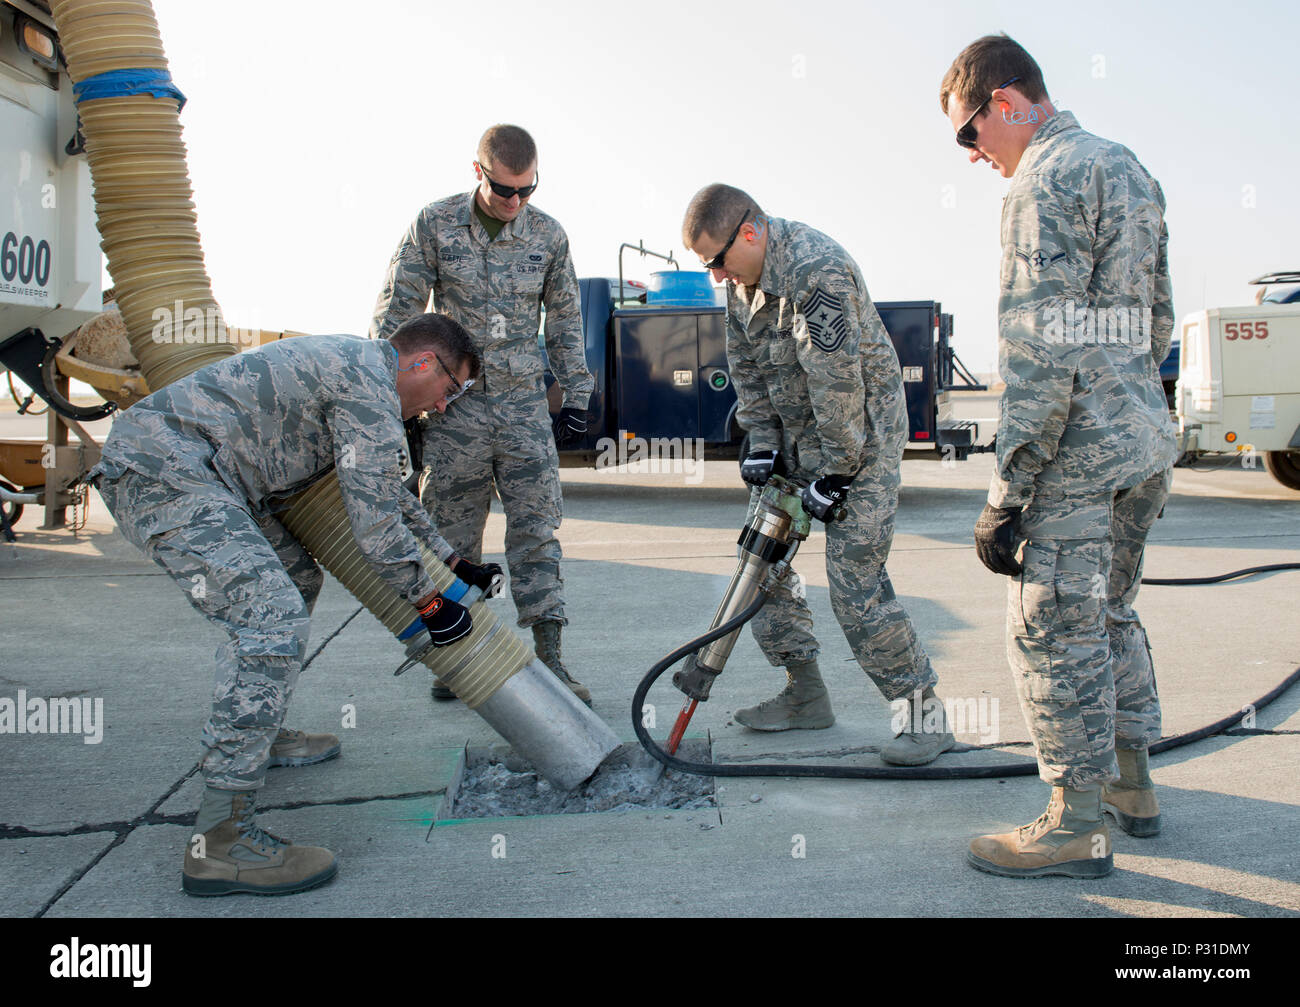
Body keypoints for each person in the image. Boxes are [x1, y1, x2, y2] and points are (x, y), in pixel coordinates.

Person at [90, 314, 495, 895]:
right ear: (423, 363)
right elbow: (375, 526)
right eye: (451, 389)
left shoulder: (363, 373)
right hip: (165, 474)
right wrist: (431, 605)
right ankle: (220, 843)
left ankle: (261, 728)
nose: (446, 406)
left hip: (201, 475)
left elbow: (389, 497)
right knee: (270, 619)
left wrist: (452, 564)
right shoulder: (368, 387)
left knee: (294, 578)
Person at [940, 34, 1178, 878]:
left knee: (1052, 628)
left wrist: (1007, 492)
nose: (973, 157)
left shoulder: (1042, 183)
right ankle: (1132, 786)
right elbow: (1157, 323)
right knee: (1110, 611)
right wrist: (1133, 403)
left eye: (969, 135)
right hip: (1141, 440)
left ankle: (1075, 823)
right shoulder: (1127, 166)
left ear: (1007, 104)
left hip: (1079, 453)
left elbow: (1040, 354)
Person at [681, 184, 956, 766]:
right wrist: (760, 441)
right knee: (760, 566)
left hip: (861, 442)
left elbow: (838, 389)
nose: (716, 276)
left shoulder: (815, 271)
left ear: (749, 232)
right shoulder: (741, 286)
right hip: (798, 439)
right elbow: (748, 371)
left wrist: (838, 474)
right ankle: (804, 694)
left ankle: (925, 719)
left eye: (718, 261)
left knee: (854, 585)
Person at [371, 124, 594, 705]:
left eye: (526, 190)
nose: (514, 202)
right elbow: (397, 310)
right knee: (450, 538)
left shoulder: (549, 236)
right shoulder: (436, 224)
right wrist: (382, 395)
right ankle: (458, 662)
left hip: (523, 411)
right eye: (502, 188)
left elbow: (566, 321)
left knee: (537, 534)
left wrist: (576, 395)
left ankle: (550, 661)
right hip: (453, 410)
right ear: (478, 172)